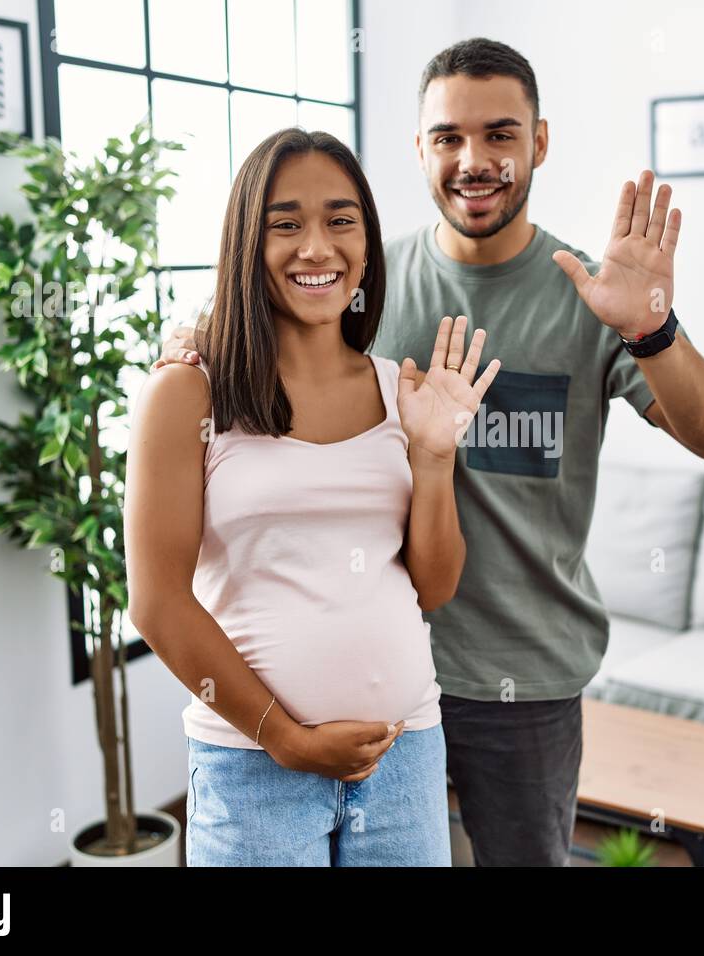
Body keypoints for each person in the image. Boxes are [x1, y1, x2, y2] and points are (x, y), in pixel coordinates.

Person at [157, 39, 704, 866]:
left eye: (500, 134)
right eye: (449, 137)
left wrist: (650, 326)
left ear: (539, 142)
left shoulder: (594, 295)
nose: (474, 160)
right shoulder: (363, 285)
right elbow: (277, 330)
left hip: (523, 681)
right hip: (376, 683)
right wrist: (200, 336)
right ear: (420, 150)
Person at [126, 127, 500, 866]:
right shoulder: (188, 392)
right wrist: (285, 738)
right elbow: (157, 602)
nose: (317, 247)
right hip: (252, 766)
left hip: (404, 753)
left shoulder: (402, 390)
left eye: (340, 220)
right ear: (247, 242)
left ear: (366, 241)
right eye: (286, 224)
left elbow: (435, 587)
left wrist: (433, 459)